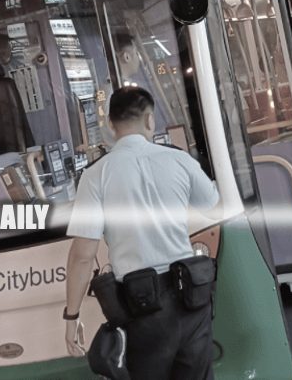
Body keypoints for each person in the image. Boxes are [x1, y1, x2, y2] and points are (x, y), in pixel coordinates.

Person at [63, 86, 219, 379]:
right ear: (150, 120)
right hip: (191, 298)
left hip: (142, 307)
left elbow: (83, 256)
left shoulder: (96, 176)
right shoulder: (179, 159)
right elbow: (211, 205)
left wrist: (72, 316)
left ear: (110, 125)